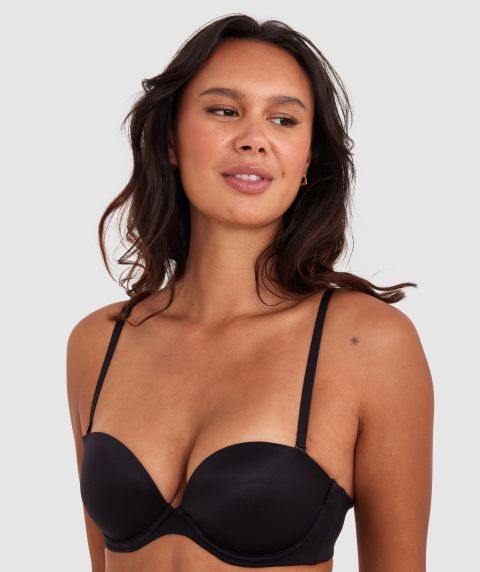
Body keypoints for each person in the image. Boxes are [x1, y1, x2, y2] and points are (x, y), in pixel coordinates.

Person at [66, 13, 434, 572]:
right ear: (170, 139)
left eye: (283, 119)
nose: (253, 139)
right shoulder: (99, 343)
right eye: (223, 111)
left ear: (308, 160)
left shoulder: (367, 344)